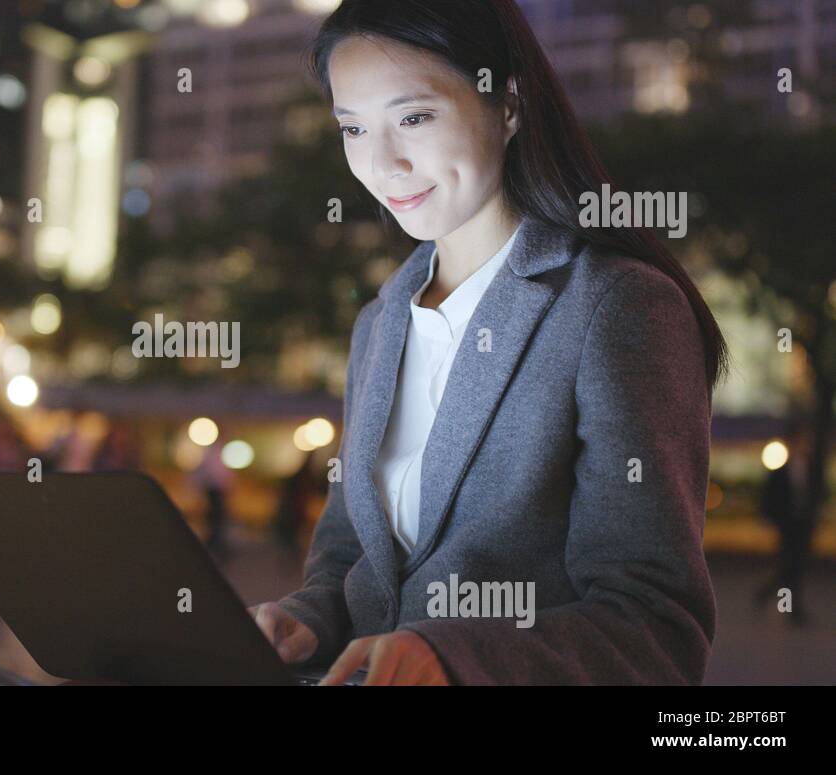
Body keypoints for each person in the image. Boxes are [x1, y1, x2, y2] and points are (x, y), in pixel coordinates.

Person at [249, 0, 728, 686]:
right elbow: (352, 556)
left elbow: (654, 625)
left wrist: (455, 659)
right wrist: (308, 620)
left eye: (413, 117)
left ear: (507, 106)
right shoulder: (379, 324)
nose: (382, 163)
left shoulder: (615, 305)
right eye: (353, 128)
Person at [755, 428, 817, 626]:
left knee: (790, 567)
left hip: (802, 525)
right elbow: (770, 497)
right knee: (790, 567)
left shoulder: (811, 468)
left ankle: (767, 595)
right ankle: (790, 608)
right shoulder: (781, 470)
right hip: (786, 525)